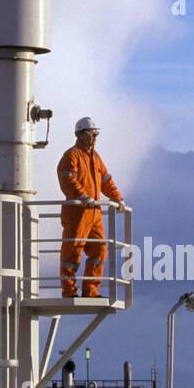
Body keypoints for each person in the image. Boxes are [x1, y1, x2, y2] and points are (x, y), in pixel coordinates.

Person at [57, 117, 124, 298]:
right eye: (92, 133)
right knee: (73, 250)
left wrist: (118, 198)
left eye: (97, 133)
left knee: (100, 249)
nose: (95, 137)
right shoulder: (72, 155)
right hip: (77, 211)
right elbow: (67, 180)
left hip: (94, 212)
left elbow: (106, 181)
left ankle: (91, 291)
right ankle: (69, 291)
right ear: (81, 134)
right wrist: (82, 197)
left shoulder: (95, 157)